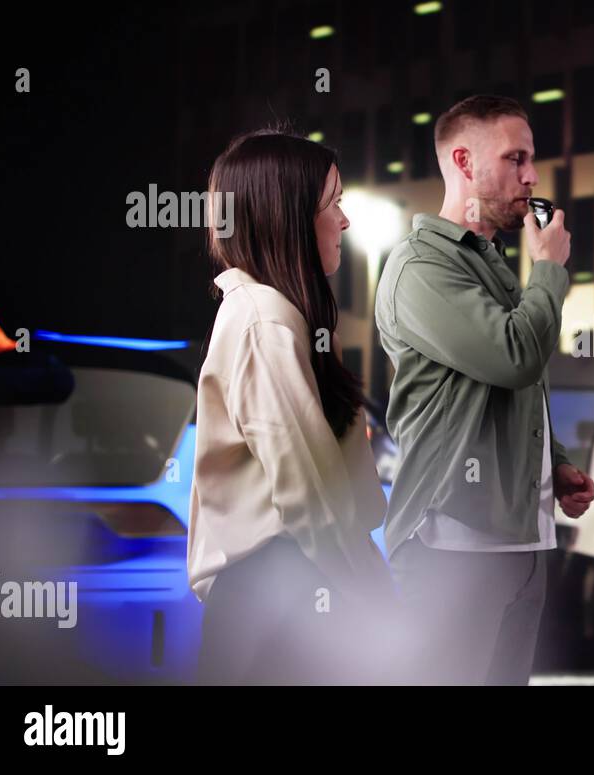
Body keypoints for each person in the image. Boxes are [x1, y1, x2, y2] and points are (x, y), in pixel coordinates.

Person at [375, 95, 594, 685]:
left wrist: (556, 462)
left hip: (520, 539)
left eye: (533, 160)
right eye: (516, 159)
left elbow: (509, 391)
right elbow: (516, 355)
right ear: (465, 161)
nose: (532, 176)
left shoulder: (492, 263)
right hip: (453, 540)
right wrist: (549, 269)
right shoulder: (421, 266)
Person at [189, 130, 396, 685]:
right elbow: (312, 497)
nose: (345, 221)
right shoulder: (264, 320)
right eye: (334, 204)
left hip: (281, 593)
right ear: (289, 216)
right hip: (284, 593)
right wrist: (377, 599)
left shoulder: (268, 314)